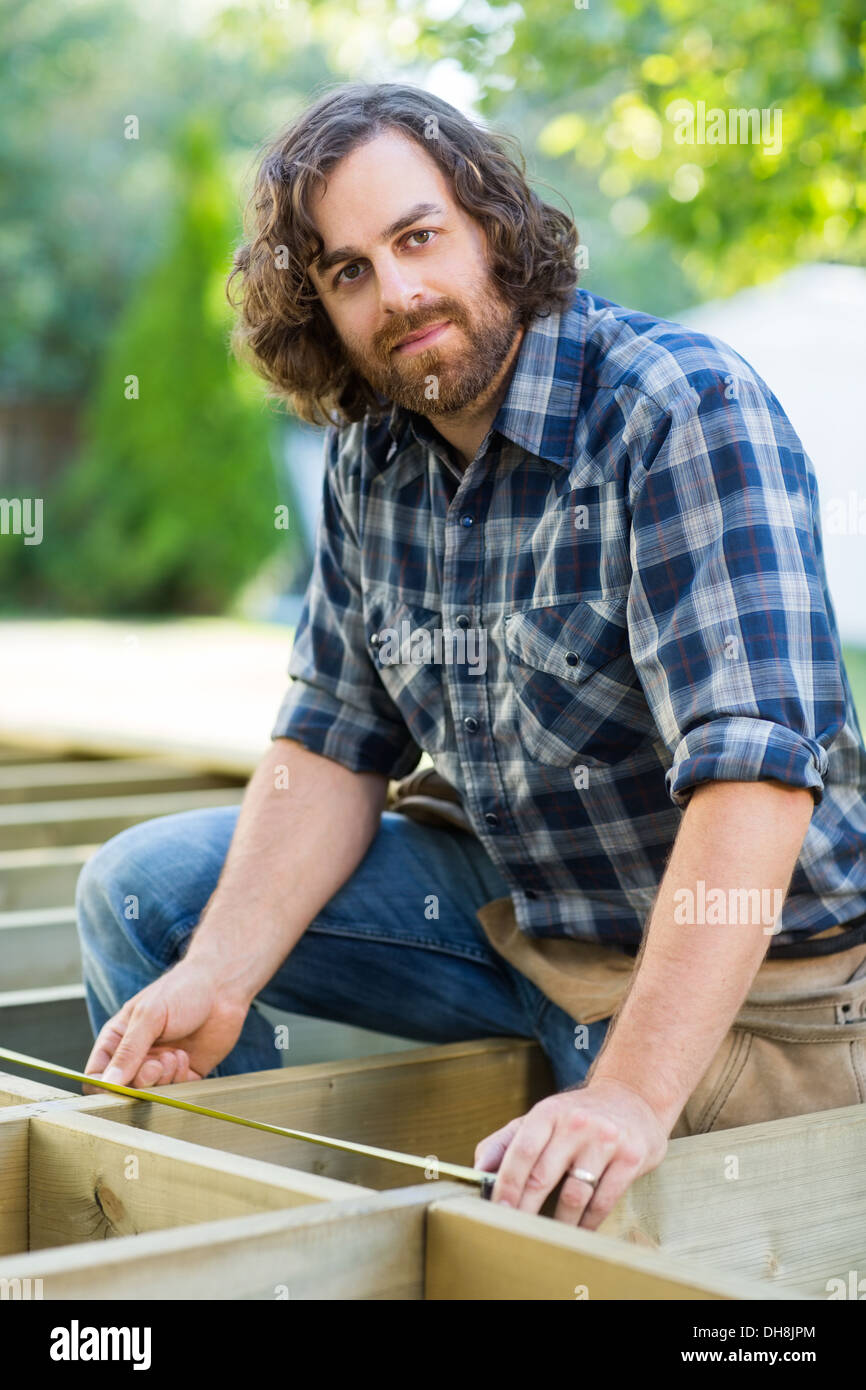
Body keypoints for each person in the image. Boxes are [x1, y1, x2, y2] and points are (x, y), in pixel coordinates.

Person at [77, 82, 866, 1230]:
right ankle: (235, 1255)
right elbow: (330, 738)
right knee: (152, 902)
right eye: (348, 271)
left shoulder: (677, 411)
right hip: (521, 920)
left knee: (674, 1290)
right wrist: (220, 973)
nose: (396, 292)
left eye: (415, 236)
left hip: (746, 979)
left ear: (492, 222)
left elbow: (752, 778)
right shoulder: (371, 460)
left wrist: (628, 1097)